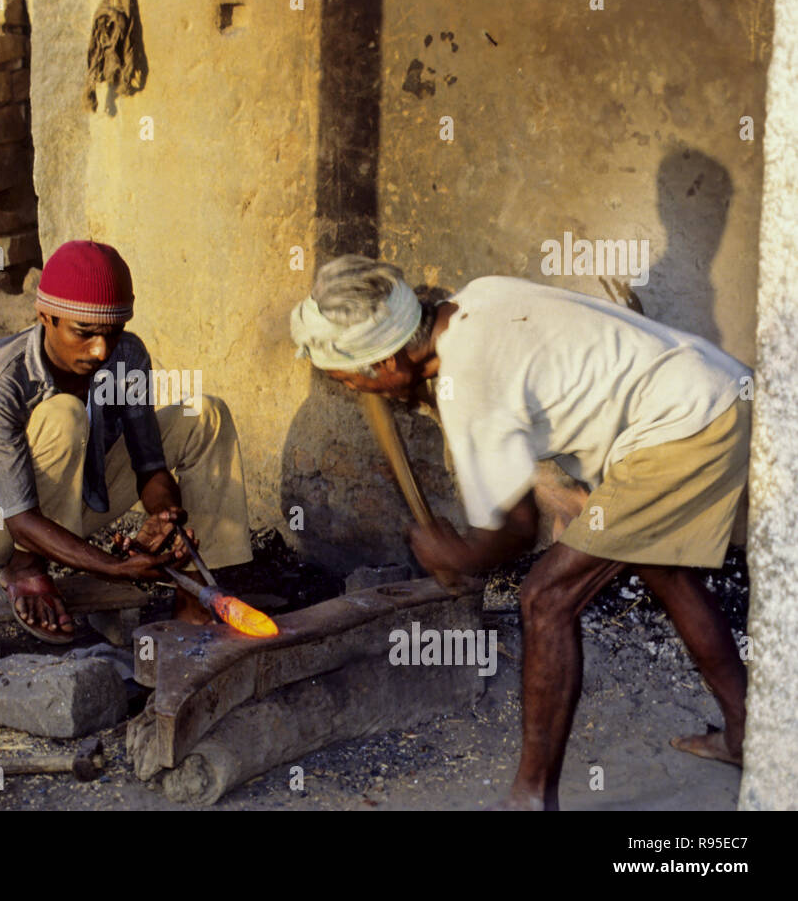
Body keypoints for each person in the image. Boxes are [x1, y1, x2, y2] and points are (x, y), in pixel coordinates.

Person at [290, 255, 751, 811]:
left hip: (681, 425)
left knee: (545, 599)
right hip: (715, 389)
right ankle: (744, 734)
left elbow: (514, 531)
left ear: (385, 363)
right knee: (667, 575)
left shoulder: (467, 384)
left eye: (345, 377)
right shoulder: (478, 297)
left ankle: (531, 798)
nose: (350, 388)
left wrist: (456, 554)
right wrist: (563, 495)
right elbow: (543, 394)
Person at [0, 240, 253, 641]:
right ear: (45, 316)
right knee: (63, 414)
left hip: (80, 501)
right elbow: (19, 518)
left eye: (112, 332)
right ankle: (25, 569)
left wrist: (166, 517)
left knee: (205, 415)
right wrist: (112, 568)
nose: (100, 349)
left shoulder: (125, 355)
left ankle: (194, 597)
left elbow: (150, 468)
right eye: (84, 333)